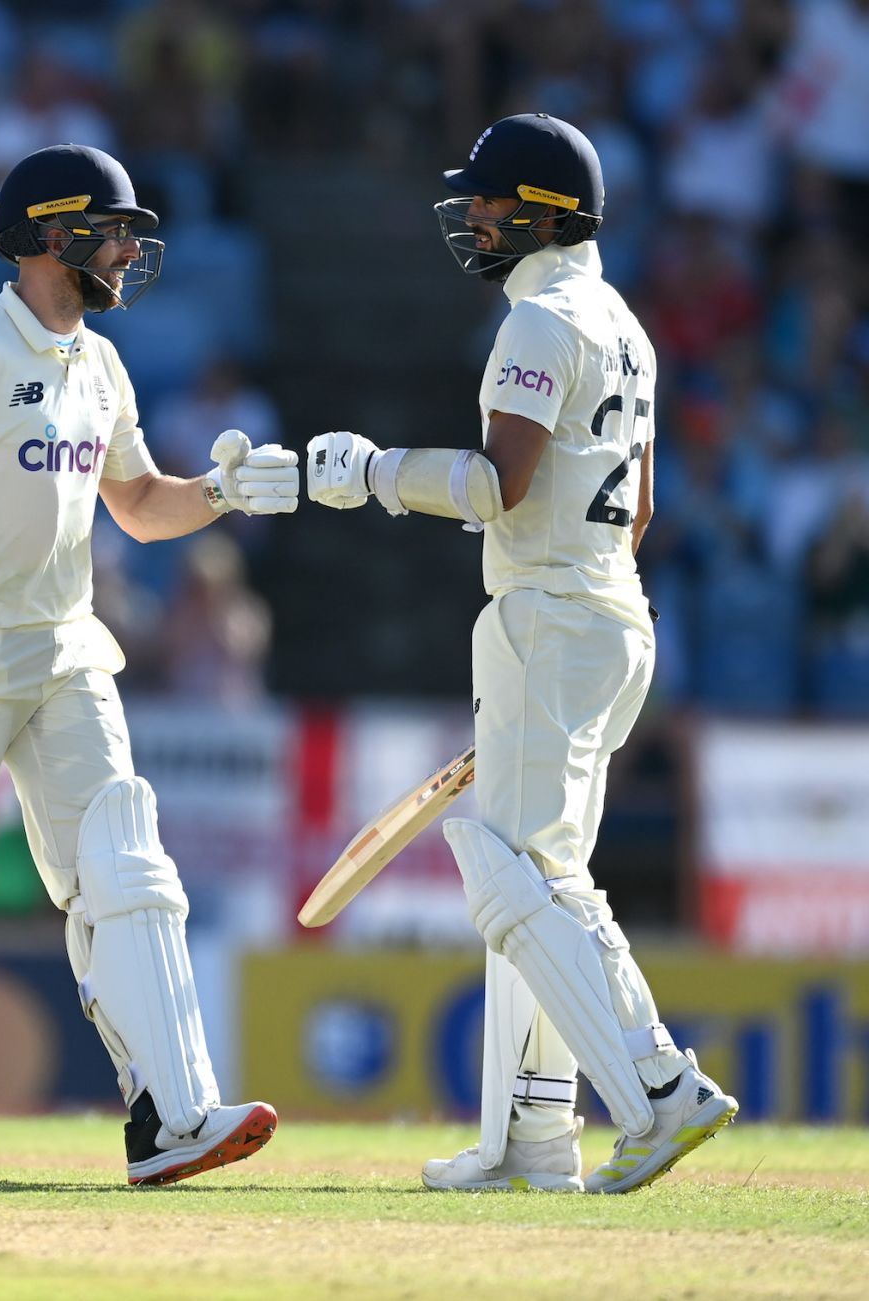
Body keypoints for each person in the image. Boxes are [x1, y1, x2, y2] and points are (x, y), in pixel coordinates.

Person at [0, 143, 298, 1185]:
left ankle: (172, 1116)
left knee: (125, 860)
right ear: (53, 236)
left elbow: (137, 501)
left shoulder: (103, 363)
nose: (131, 248)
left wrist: (225, 490)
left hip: (67, 649)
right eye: (115, 230)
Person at [306, 114, 738, 1194]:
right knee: (545, 877)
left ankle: (658, 1085)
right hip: (608, 611)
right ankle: (532, 1135)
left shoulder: (540, 319)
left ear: (544, 211)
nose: (475, 215)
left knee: (516, 875)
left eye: (491, 200)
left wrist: (369, 471)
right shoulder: (620, 320)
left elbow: (496, 485)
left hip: (550, 613)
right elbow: (636, 506)